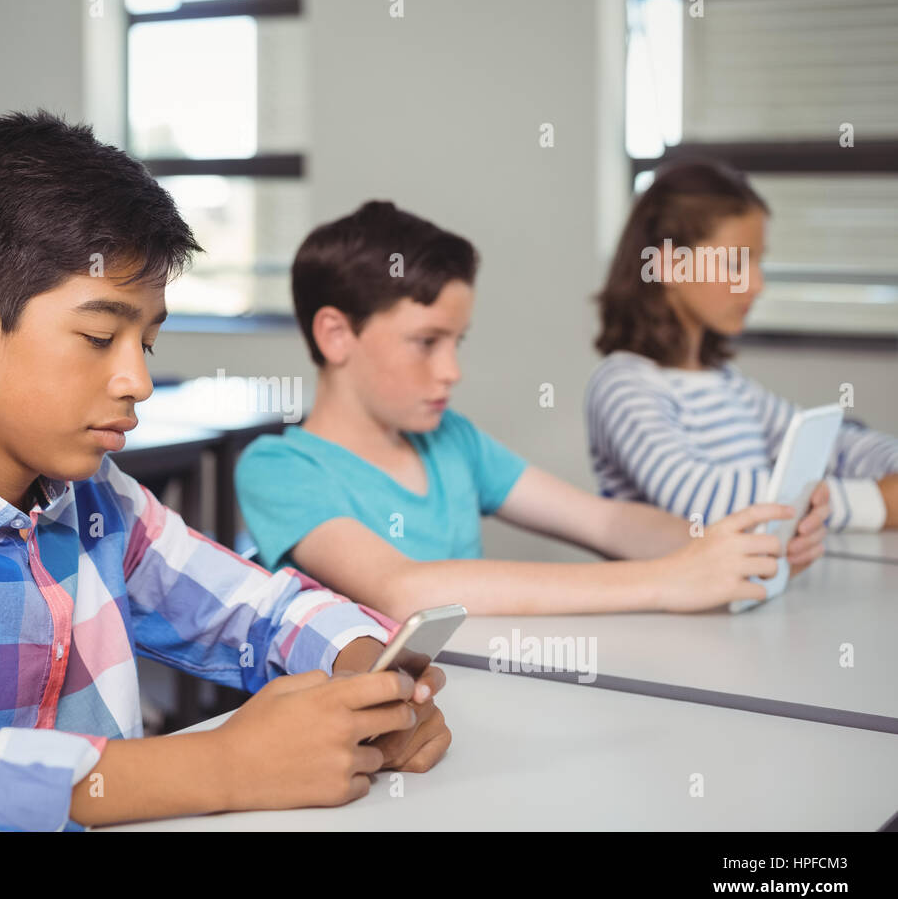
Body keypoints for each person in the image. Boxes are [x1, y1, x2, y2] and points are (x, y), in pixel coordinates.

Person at [0, 111, 450, 832]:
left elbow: (257, 609)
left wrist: (370, 676)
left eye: (146, 340)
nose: (138, 379)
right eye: (100, 335)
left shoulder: (98, 503)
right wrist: (217, 766)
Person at [234, 200, 823, 621]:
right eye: (426, 342)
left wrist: (734, 548)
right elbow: (406, 591)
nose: (451, 371)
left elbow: (604, 522)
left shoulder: (451, 439)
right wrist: (668, 579)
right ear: (337, 335)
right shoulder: (279, 469)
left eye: (457, 343)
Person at [587, 160, 898, 532]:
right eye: (736, 263)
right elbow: (702, 498)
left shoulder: (728, 386)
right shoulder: (623, 385)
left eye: (758, 262)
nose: (756, 284)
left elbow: (834, 447)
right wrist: (874, 503)